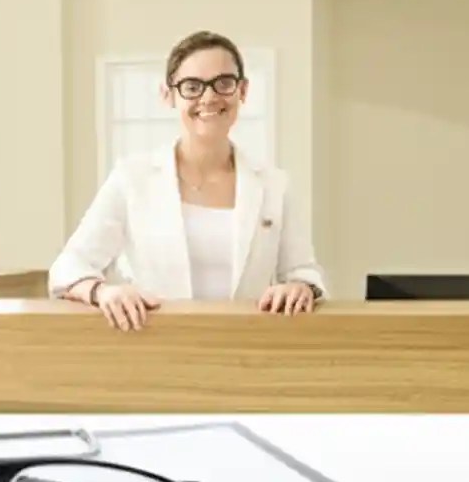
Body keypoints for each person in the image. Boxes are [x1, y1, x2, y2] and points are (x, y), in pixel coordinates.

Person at [48, 30, 328, 331]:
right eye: (192, 87)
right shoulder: (132, 178)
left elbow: (303, 270)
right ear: (168, 95)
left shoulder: (275, 185)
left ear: (242, 90)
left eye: (223, 83)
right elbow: (67, 267)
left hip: (250, 352)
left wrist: (300, 286)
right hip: (158, 351)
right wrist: (104, 292)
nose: (209, 97)